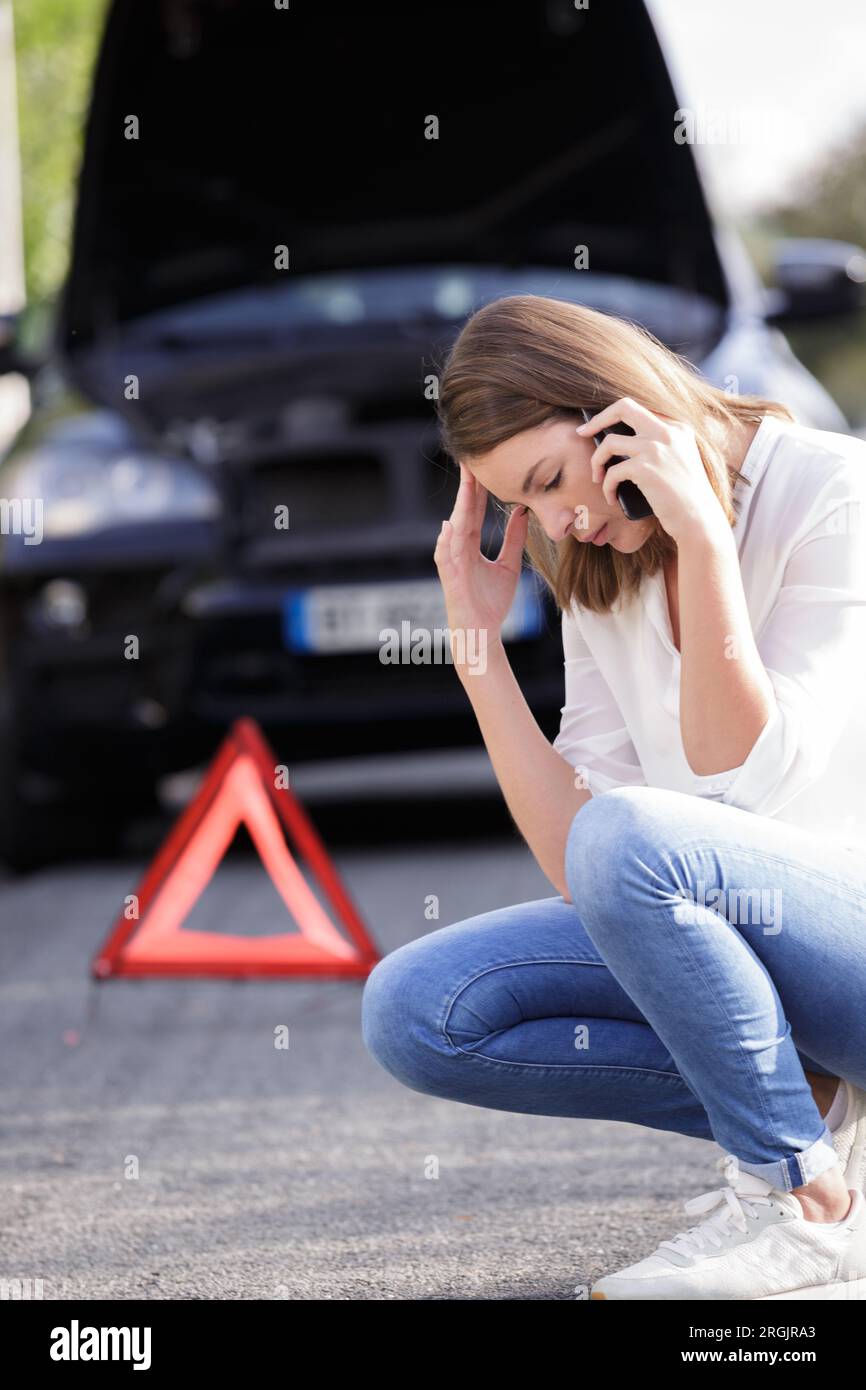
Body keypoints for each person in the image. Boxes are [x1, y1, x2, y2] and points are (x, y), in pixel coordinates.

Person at [361, 294, 866, 1300]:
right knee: (415, 1010)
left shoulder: (831, 491)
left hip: (848, 943)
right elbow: (581, 865)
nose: (557, 523)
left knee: (632, 834)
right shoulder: (602, 565)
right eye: (524, 507)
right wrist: (474, 644)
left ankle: (797, 1209)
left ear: (614, 407)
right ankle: (816, 1134)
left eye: (549, 482)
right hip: (761, 974)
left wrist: (705, 544)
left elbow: (744, 773)